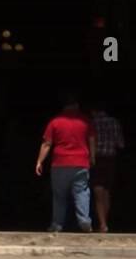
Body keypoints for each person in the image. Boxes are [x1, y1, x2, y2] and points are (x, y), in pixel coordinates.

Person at [36, 91, 96, 233]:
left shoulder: (55, 121)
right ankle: (84, 221)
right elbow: (92, 140)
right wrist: (92, 157)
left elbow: (47, 144)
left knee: (59, 196)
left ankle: (57, 224)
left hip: (60, 163)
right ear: (77, 105)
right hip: (81, 162)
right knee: (81, 192)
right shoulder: (85, 121)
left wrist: (39, 161)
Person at [90, 104, 125, 232]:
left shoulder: (92, 123)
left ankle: (103, 224)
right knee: (106, 192)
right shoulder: (114, 122)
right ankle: (104, 222)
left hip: (97, 158)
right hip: (111, 158)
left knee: (98, 192)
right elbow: (120, 144)